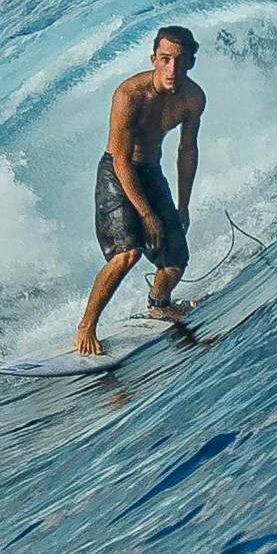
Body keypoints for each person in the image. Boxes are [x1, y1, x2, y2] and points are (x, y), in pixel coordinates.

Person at [74, 24, 206, 356]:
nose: (172, 68)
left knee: (175, 261)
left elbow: (187, 150)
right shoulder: (130, 95)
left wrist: (183, 206)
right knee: (127, 254)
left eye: (180, 60)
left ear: (190, 62)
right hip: (117, 171)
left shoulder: (193, 99)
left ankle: (160, 304)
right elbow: (121, 160)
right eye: (165, 59)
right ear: (153, 59)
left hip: (151, 171)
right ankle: (86, 326)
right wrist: (147, 215)